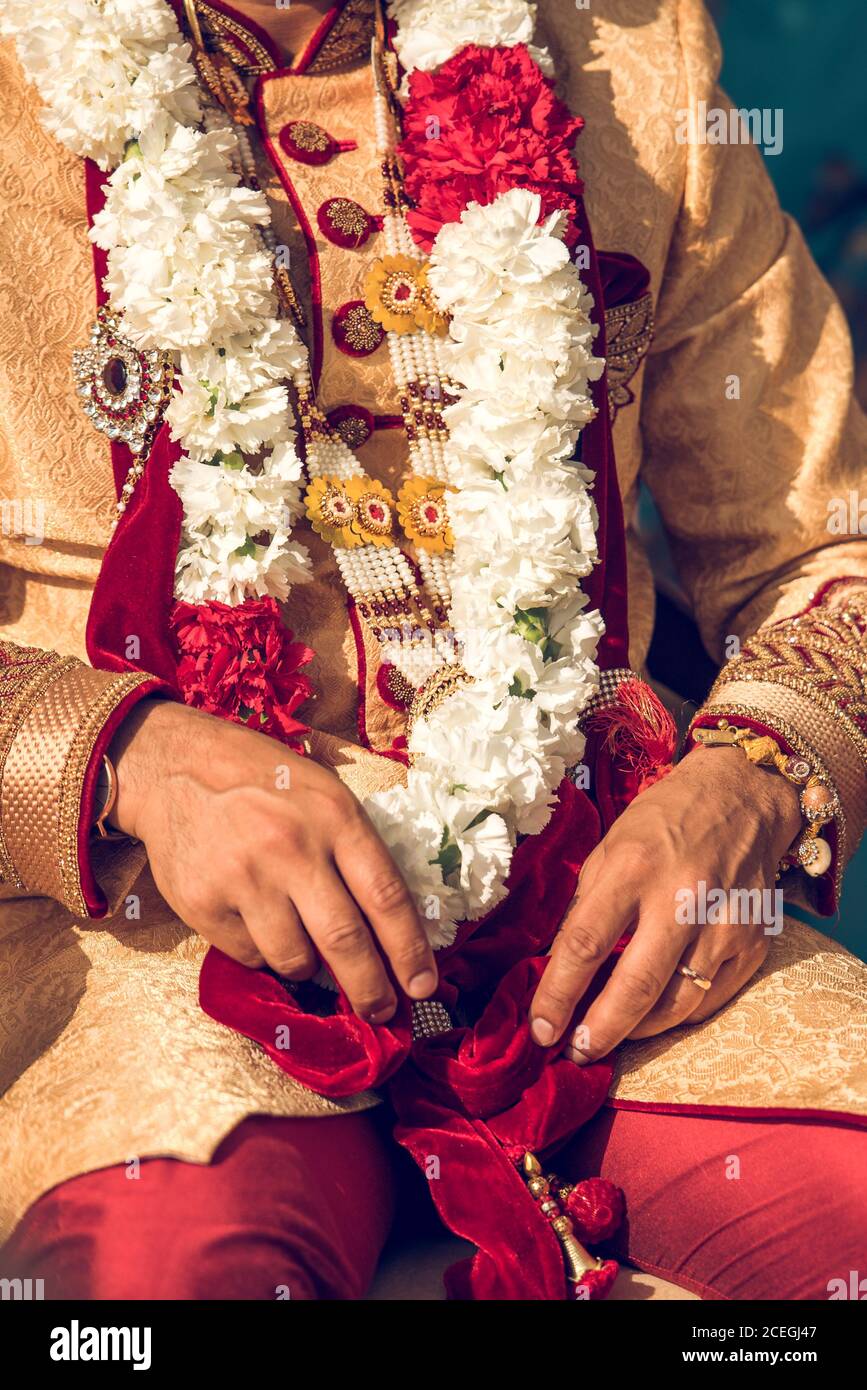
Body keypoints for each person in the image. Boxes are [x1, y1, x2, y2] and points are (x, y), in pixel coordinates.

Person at [0, 0, 865, 1302]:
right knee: (150, 1289)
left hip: (602, 924)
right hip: (150, 940)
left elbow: (825, 546)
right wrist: (126, 758)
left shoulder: (631, 63)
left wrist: (750, 781)